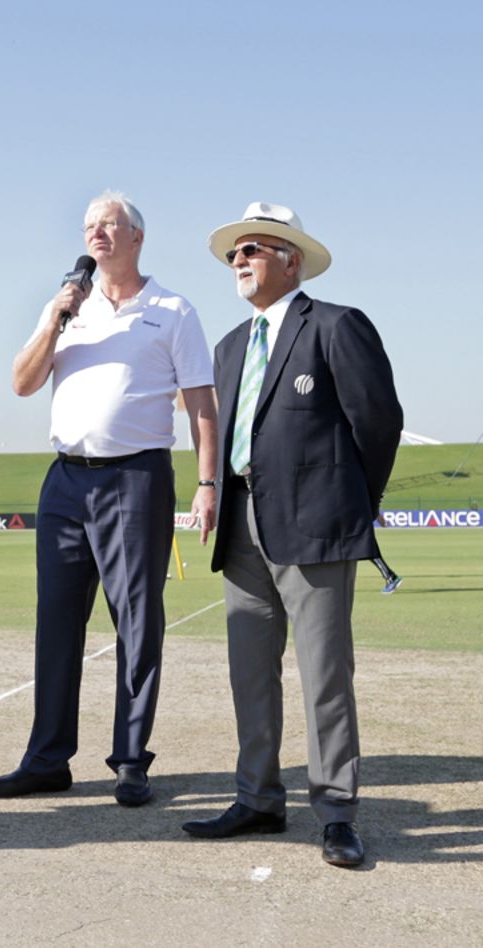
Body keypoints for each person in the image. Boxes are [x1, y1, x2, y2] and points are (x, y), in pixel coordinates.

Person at [181, 203, 403, 868]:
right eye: (233, 254)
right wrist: (213, 490)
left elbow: (380, 420)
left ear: (291, 260)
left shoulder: (335, 326)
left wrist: (348, 501)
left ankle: (335, 812)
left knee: (325, 677)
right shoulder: (226, 348)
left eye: (253, 248)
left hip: (317, 527)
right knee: (250, 673)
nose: (239, 261)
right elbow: (219, 440)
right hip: (243, 530)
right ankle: (258, 799)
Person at [0, 191, 217, 806]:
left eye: (108, 225)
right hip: (65, 480)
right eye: (89, 226)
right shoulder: (65, 306)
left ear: (137, 236)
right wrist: (57, 318)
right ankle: (46, 759)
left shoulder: (173, 310)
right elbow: (23, 381)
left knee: (137, 622)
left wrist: (207, 482)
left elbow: (201, 406)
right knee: (56, 623)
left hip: (135, 479)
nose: (96, 235)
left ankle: (131, 760)